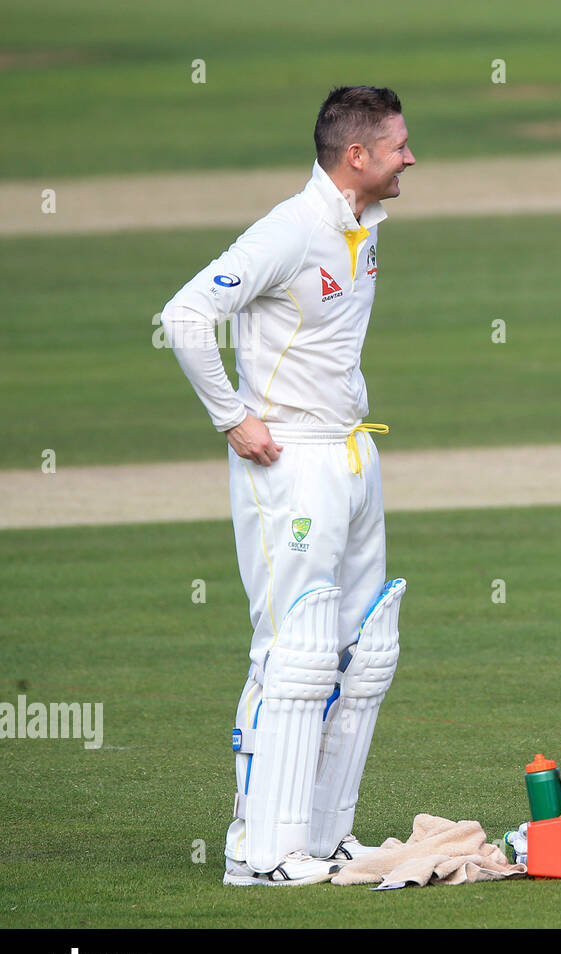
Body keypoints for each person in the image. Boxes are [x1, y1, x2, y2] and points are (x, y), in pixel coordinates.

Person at [160, 86, 417, 884]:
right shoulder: (292, 229)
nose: (411, 156)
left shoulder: (362, 226)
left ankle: (322, 835)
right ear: (357, 156)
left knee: (362, 651)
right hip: (288, 460)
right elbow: (185, 316)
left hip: (350, 452)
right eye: (400, 144)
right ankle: (258, 850)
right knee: (295, 652)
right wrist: (232, 418)